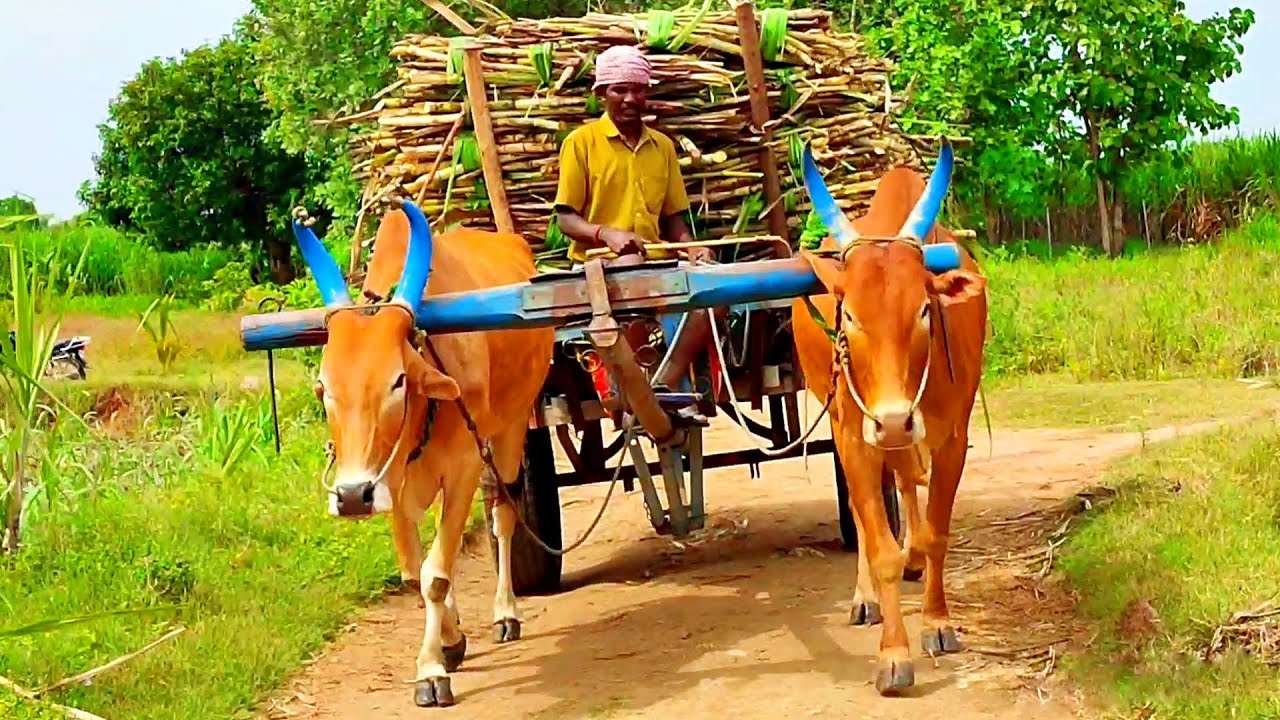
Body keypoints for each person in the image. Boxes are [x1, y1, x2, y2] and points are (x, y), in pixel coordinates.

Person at [554, 44, 718, 397]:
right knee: (630, 266)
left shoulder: (662, 147)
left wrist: (693, 249)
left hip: (657, 265)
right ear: (601, 94)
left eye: (639, 89)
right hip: (598, 267)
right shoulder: (580, 143)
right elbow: (566, 219)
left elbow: (673, 219)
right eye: (620, 90)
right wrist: (605, 235)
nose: (630, 98)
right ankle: (632, 380)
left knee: (718, 291)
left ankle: (665, 381)